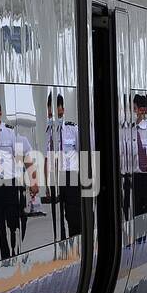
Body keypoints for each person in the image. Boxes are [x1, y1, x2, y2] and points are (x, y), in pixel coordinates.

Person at [0, 99, 36, 261]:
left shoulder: (10, 133)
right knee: (0, 226)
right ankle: (5, 258)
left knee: (12, 224)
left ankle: (15, 252)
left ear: (0, 114)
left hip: (10, 185)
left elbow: (25, 157)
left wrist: (32, 180)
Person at [49, 93, 82, 239]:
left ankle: (78, 242)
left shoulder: (72, 129)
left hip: (72, 176)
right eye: (51, 110)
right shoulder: (49, 132)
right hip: (57, 178)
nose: (54, 113)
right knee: (59, 217)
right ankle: (65, 246)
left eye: (57, 108)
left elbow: (84, 153)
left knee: (73, 215)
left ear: (62, 109)